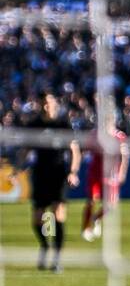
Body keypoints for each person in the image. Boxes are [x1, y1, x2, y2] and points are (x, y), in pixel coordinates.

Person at [27, 92, 81, 272]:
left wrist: (73, 172)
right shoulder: (34, 125)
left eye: (48, 103)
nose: (45, 106)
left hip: (58, 175)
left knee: (58, 214)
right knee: (38, 218)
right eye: (43, 103)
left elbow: (75, 151)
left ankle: (57, 259)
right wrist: (18, 167)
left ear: (55, 104)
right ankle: (44, 246)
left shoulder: (63, 124)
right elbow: (25, 149)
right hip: (40, 174)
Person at [81, 122, 129, 242]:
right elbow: (84, 149)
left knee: (111, 205)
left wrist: (122, 172)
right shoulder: (94, 134)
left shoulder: (119, 136)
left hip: (111, 175)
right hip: (95, 173)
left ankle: (96, 218)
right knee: (92, 200)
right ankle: (86, 229)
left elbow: (124, 156)